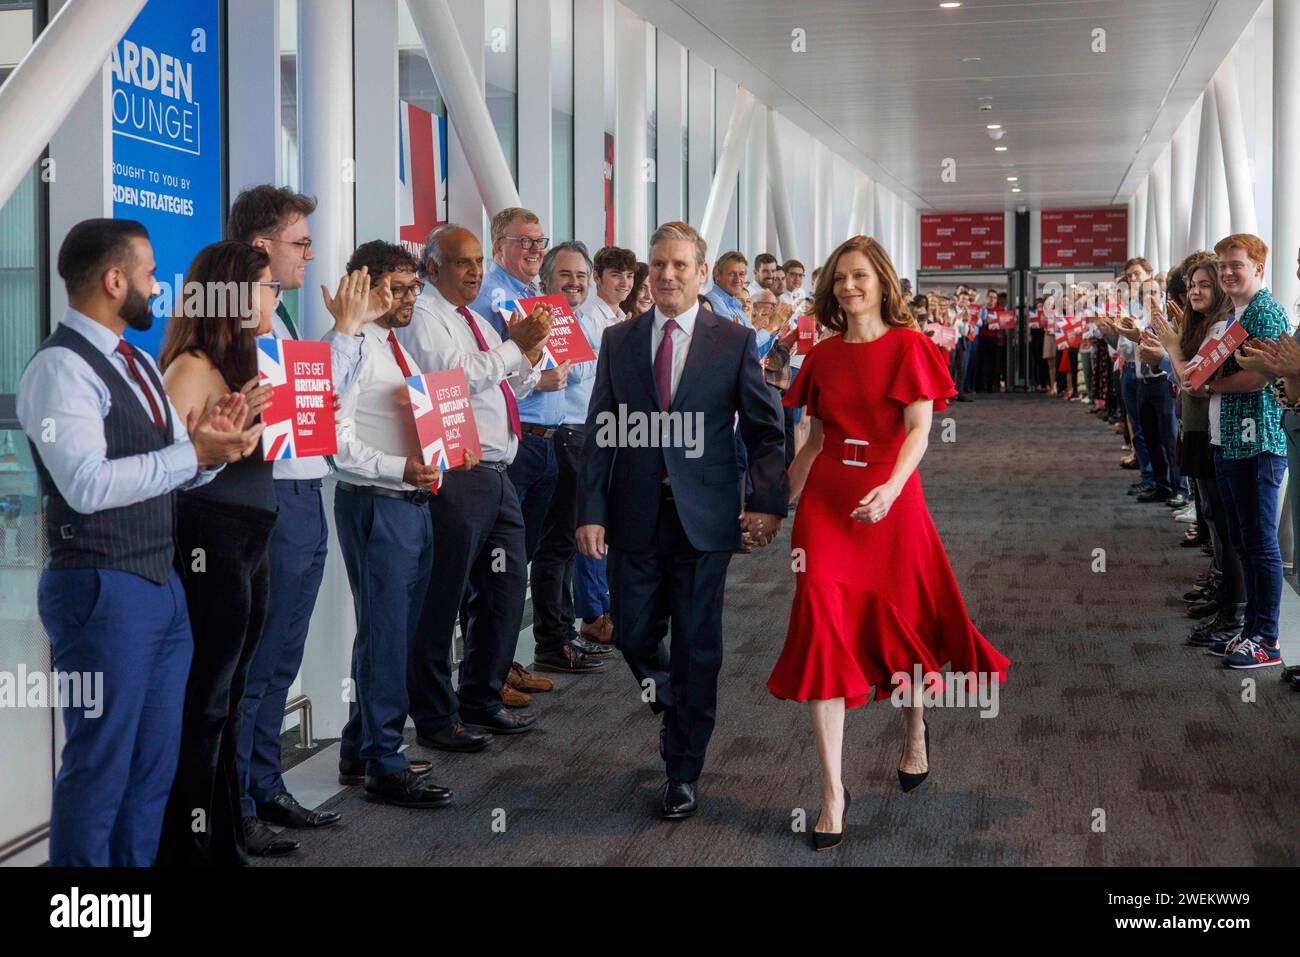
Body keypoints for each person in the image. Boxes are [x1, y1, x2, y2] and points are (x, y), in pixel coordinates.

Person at [18, 219, 257, 867]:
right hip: (99, 587)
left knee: (152, 770)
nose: (160, 285)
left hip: (160, 586)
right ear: (113, 279)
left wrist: (211, 449)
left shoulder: (138, 366)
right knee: (101, 766)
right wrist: (193, 455)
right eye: (150, 273)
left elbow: (171, 465)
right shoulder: (61, 368)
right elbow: (88, 485)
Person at [766, 235, 1009, 851]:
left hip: (891, 501)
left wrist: (893, 487)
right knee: (821, 624)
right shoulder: (821, 357)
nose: (849, 287)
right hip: (826, 504)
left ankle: (915, 732)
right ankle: (831, 791)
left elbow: (921, 431)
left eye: (860, 277)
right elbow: (814, 442)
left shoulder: (912, 346)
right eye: (840, 278)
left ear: (883, 282)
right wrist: (775, 505)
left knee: (902, 622)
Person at [576, 221, 788, 820]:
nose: (667, 275)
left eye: (679, 266)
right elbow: (600, 433)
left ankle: (683, 769)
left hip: (707, 518)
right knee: (634, 633)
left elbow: (766, 431)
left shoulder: (735, 340)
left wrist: (768, 502)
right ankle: (677, 704)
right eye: (658, 265)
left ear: (700, 275)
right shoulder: (620, 342)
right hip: (633, 516)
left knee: (698, 646)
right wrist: (590, 509)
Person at [227, 185, 383, 833]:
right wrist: (345, 334)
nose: (311, 254)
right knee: (259, 662)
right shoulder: (240, 317)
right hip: (270, 499)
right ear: (260, 246)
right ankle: (238, 802)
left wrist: (345, 336)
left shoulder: (280, 315)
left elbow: (316, 408)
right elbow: (299, 411)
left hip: (300, 493)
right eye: (299, 242)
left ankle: (264, 786)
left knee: (281, 656)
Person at [326, 241, 472, 808]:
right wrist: (399, 467)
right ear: (363, 286)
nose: (410, 297)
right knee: (386, 635)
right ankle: (384, 763)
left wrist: (444, 449)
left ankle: (362, 747)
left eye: (413, 286)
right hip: (377, 500)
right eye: (397, 287)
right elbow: (335, 445)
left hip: (411, 500)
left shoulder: (392, 346)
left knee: (393, 634)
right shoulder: (351, 347)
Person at [398, 224, 551, 748]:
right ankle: (435, 719)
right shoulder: (423, 316)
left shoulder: (475, 320)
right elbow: (453, 377)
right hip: (457, 475)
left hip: (498, 474)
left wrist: (530, 352)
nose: (475, 271)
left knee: (505, 592)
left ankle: (482, 699)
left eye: (479, 262)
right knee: (441, 602)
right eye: (463, 262)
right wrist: (515, 350)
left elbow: (512, 379)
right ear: (433, 267)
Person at [156, 241, 281, 865]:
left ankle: (225, 843)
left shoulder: (244, 365)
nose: (275, 296)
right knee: (205, 705)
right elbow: (159, 476)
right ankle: (186, 849)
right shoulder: (190, 368)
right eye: (266, 286)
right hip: (211, 543)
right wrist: (216, 446)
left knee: (230, 702)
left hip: (250, 541)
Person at [535, 245, 634, 660]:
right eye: (566, 275)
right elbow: (569, 373)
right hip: (566, 436)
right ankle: (561, 634)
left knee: (575, 539)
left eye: (579, 274)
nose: (574, 282)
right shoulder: (560, 317)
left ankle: (569, 627)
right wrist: (613, 355)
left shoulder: (591, 319)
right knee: (560, 543)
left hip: (588, 433)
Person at [1197, 234, 1289, 669]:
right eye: (1222, 265)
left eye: (1236, 264)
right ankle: (1252, 629)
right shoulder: (1239, 314)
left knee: (1260, 543)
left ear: (1259, 269)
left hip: (1258, 444)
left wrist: (1208, 384)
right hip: (1230, 440)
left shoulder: (1265, 313)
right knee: (1244, 541)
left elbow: (1260, 379)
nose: (1227, 272)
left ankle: (1267, 638)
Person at [470, 206, 547, 338]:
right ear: (499, 247)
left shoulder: (530, 291)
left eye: (539, 241)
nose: (536, 249)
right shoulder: (485, 297)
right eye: (526, 241)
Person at [704, 250, 750, 324]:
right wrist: (771, 327)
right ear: (717, 275)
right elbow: (744, 335)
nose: (738, 279)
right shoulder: (713, 301)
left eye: (741, 274)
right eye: (731, 274)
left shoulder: (735, 302)